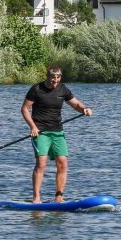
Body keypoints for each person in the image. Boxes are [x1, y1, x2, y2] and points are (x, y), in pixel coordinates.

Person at [21, 66, 92, 203]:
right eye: (53, 77)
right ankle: (36, 198)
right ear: (47, 76)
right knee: (41, 163)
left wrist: (85, 109)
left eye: (58, 77)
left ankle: (59, 197)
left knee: (63, 163)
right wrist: (33, 127)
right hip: (40, 132)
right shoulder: (36, 89)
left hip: (57, 131)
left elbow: (76, 104)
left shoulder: (62, 89)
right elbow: (24, 109)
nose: (55, 80)